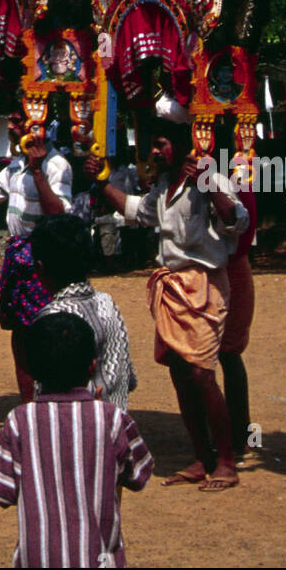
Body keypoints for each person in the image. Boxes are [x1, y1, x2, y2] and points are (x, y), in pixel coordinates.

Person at [89, 118, 248, 492]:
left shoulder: (213, 178)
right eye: (153, 146)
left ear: (183, 144)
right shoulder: (162, 188)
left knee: (202, 374)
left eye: (162, 144)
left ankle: (226, 461)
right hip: (173, 287)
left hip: (205, 286)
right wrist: (100, 181)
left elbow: (236, 221)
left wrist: (208, 185)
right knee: (180, 373)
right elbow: (134, 211)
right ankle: (201, 457)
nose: (156, 152)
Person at [0, 312, 153, 568]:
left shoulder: (19, 421)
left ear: (30, 368)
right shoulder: (112, 419)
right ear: (92, 366)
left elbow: (2, 493)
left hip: (39, 559)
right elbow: (139, 475)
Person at [0, 111, 75, 401]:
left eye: (17, 120)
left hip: (45, 256)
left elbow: (57, 214)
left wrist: (38, 170)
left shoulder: (57, 166)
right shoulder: (15, 166)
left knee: (49, 334)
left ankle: (55, 404)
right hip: (18, 258)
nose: (10, 126)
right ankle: (29, 406)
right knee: (21, 335)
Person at [30, 213, 136, 409]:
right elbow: (128, 377)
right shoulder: (107, 303)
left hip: (74, 429)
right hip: (116, 421)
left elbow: (48, 392)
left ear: (40, 267)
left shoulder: (52, 319)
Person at [221, 169, 256, 459]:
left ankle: (238, 434)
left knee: (228, 353)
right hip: (209, 270)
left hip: (230, 268)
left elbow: (243, 224)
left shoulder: (238, 174)